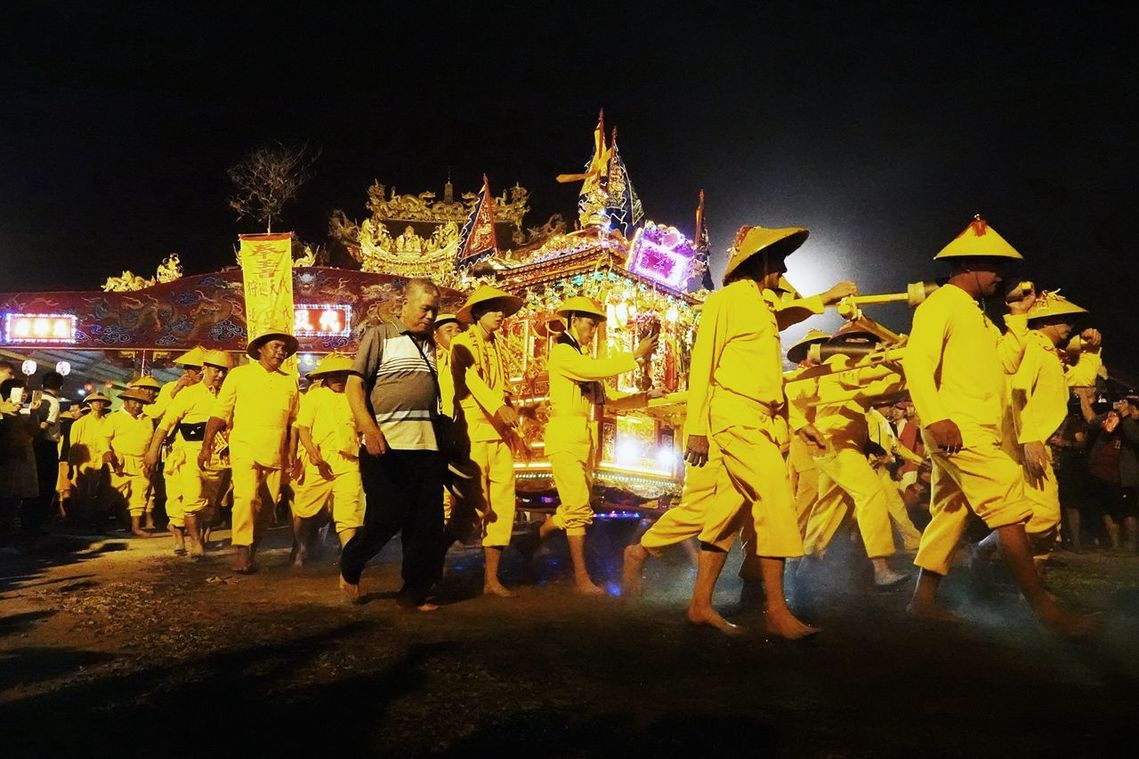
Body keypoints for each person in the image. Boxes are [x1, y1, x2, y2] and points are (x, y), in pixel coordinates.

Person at [902, 215, 1097, 636]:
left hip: (972, 429)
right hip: (958, 428)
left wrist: (1020, 315)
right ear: (969, 265)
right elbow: (915, 362)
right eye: (995, 268)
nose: (1002, 278)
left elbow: (1007, 363)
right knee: (1009, 502)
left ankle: (922, 602)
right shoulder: (940, 306)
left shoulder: (977, 315)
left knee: (951, 514)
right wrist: (936, 418)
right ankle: (1047, 612)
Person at [631, 225, 822, 637]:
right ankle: (776, 610)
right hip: (734, 417)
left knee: (725, 514)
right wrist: (697, 429)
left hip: (759, 420)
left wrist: (786, 426)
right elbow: (703, 367)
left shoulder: (761, 308)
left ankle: (700, 605)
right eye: (779, 259)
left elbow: (770, 375)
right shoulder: (726, 301)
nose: (784, 267)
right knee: (775, 496)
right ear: (762, 262)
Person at [534, 295, 657, 595]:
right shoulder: (563, 352)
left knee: (579, 504)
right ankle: (581, 580)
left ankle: (541, 531)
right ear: (573, 320)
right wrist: (636, 355)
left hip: (582, 439)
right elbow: (593, 372)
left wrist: (645, 398)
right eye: (590, 325)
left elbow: (608, 397)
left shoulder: (581, 358)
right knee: (578, 507)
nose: (592, 332)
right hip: (565, 436)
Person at [339, 278, 446, 610]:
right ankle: (350, 564)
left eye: (434, 311)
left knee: (426, 524)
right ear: (405, 305)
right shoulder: (380, 336)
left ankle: (412, 592)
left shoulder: (433, 346)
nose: (429, 316)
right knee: (385, 518)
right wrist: (369, 429)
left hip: (427, 447)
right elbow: (354, 387)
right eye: (424, 308)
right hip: (385, 444)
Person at [971, 291, 1091, 566]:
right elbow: (1018, 391)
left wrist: (1092, 352)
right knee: (1043, 515)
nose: (1069, 325)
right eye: (1062, 319)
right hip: (1027, 442)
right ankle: (1005, 563)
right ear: (1043, 321)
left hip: (1032, 440)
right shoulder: (1035, 348)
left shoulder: (1049, 353)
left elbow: (1080, 378)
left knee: (1036, 514)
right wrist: (1030, 439)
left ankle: (1012, 566)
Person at [801, 329, 910, 587]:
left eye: (866, 341)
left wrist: (901, 361)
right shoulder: (838, 362)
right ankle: (881, 568)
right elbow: (870, 376)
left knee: (831, 505)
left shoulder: (854, 367)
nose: (863, 344)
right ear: (844, 344)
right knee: (871, 493)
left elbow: (884, 389)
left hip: (840, 444)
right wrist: (894, 356)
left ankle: (806, 567)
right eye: (857, 341)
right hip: (835, 444)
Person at [450, 285, 527, 597]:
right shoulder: (460, 342)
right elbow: (471, 380)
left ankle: (491, 579)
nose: (500, 315)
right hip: (472, 432)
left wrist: (515, 420)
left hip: (500, 435)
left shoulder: (501, 346)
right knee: (474, 505)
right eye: (494, 309)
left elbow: (504, 388)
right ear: (478, 313)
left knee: (503, 507)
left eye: (502, 310)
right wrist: (499, 407)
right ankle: (431, 569)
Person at [202, 333, 299, 573]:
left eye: (284, 349)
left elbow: (295, 422)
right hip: (244, 445)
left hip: (276, 450)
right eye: (276, 346)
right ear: (260, 350)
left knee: (266, 507)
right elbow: (219, 413)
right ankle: (241, 553)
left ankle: (251, 553)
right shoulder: (239, 375)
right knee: (245, 498)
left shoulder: (290, 381)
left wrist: (292, 454)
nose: (281, 352)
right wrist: (206, 446)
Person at [145, 349, 233, 557]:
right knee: (189, 500)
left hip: (217, 458)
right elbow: (165, 425)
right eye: (216, 370)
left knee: (210, 504)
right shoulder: (187, 394)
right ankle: (193, 542)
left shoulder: (229, 397)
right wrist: (152, 451)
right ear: (205, 369)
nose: (220, 375)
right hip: (188, 455)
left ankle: (201, 537)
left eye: (224, 371)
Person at [290, 353, 364, 564]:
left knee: (348, 512)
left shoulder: (356, 396)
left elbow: (361, 428)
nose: (339, 379)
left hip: (349, 462)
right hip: (319, 463)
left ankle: (348, 561)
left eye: (343, 374)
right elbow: (303, 428)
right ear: (325, 377)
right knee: (305, 511)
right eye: (334, 375)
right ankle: (300, 547)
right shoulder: (315, 397)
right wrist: (312, 452)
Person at [104, 388, 157, 536]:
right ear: (126, 402)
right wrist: (107, 452)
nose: (138, 406)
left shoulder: (147, 419)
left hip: (141, 462)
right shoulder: (114, 418)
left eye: (141, 403)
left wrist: (150, 459)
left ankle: (136, 527)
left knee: (140, 493)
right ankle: (100, 522)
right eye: (135, 402)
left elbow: (151, 442)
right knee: (111, 493)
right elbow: (104, 439)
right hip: (119, 462)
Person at [26, 371, 64, 536]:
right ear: (61, 386)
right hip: (46, 447)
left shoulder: (36, 399)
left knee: (33, 487)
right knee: (46, 487)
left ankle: (29, 524)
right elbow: (44, 428)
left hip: (33, 446)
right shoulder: (54, 403)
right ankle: (36, 526)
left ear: (42, 384)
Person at [66, 392, 112, 528]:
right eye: (95, 402)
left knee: (99, 491)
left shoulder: (107, 422)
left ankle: (93, 517)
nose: (98, 404)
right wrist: (72, 466)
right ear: (89, 404)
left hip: (102, 461)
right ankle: (81, 518)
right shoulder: (80, 423)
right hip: (84, 461)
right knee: (82, 492)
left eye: (101, 402)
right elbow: (74, 445)